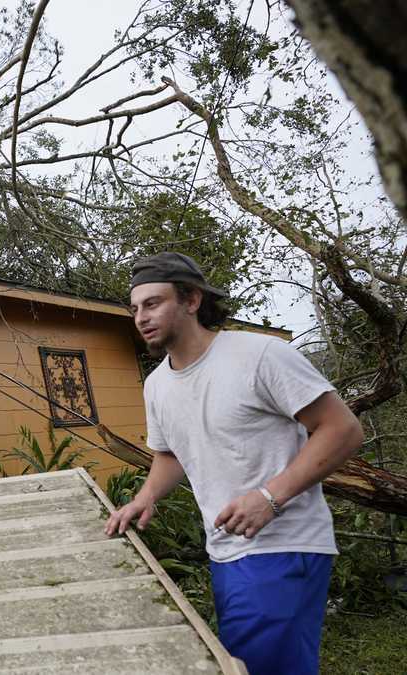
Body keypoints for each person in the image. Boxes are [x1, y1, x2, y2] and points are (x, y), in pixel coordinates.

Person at [104, 252, 364, 675]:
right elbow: (171, 453)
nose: (140, 317)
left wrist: (269, 498)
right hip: (225, 552)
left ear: (191, 300)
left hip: (283, 544)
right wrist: (145, 497)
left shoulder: (258, 355)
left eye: (153, 303)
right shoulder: (156, 385)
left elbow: (342, 429)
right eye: (135, 308)